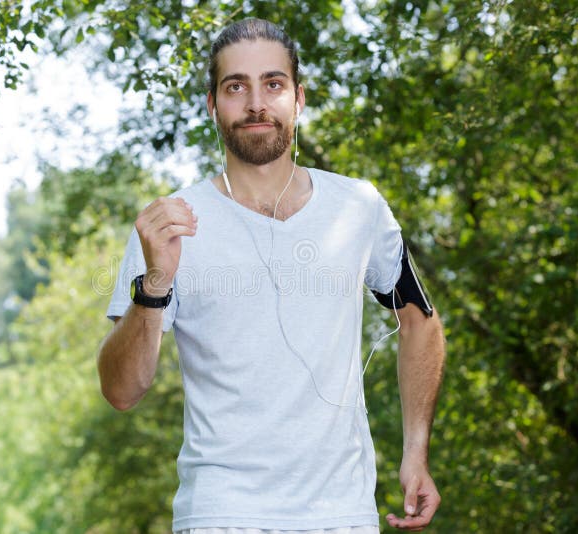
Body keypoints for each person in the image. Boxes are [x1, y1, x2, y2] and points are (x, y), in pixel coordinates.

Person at [97, 18, 445, 534]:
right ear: (213, 105)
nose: (256, 103)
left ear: (298, 99)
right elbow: (122, 391)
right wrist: (154, 286)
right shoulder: (169, 223)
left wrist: (416, 452)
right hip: (221, 514)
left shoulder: (358, 207)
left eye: (273, 84)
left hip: (341, 515)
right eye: (236, 86)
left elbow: (421, 322)